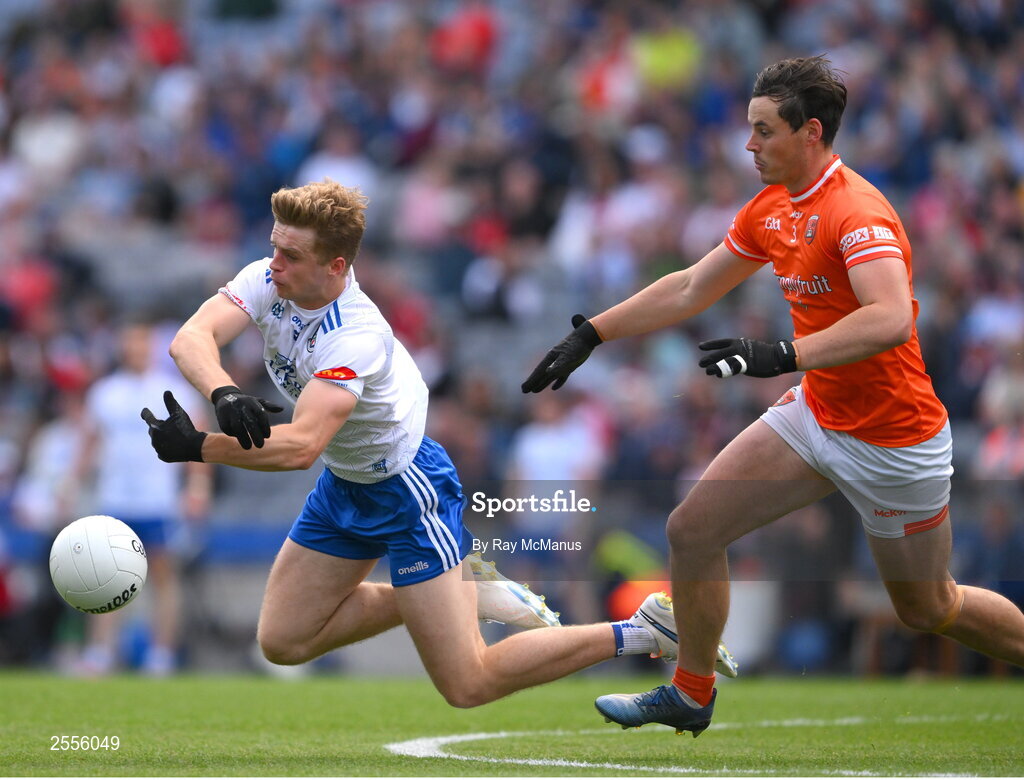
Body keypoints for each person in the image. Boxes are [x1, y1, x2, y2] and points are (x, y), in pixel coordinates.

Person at [524, 56, 1024, 736]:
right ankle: (692, 693)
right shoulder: (772, 207)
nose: (749, 145)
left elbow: (891, 317)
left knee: (927, 607)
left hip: (893, 440)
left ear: (810, 132)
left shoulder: (857, 211)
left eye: (763, 131)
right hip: (818, 415)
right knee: (692, 530)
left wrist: (779, 355)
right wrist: (594, 334)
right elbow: (691, 286)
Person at [139, 178, 737, 708]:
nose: (273, 264)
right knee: (284, 641)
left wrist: (199, 447)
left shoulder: (356, 337)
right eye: (273, 247)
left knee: (467, 684)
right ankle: (456, 591)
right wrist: (222, 393)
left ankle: (641, 631)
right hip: (346, 481)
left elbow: (299, 446)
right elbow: (192, 336)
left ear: (336, 266)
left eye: (290, 255)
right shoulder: (272, 276)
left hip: (406, 489)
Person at [71, 320, 212, 675]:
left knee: (163, 577)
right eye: (129, 342)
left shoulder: (171, 391)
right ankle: (101, 653)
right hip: (115, 497)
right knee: (106, 576)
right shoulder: (105, 392)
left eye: (141, 342)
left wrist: (197, 488)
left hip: (157, 500)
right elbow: (90, 443)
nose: (135, 348)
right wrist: (68, 486)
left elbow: (199, 443)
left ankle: (160, 655)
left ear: (151, 345)